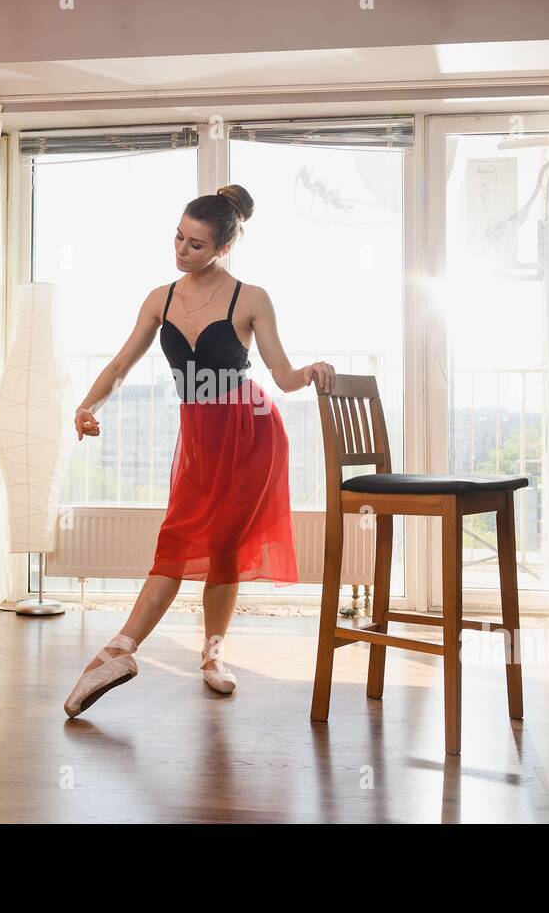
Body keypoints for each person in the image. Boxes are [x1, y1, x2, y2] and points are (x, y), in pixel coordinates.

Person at [63, 184, 336, 717]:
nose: (182, 251)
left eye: (195, 244)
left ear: (222, 249)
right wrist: (87, 405)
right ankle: (125, 651)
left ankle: (192, 653)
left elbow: (282, 375)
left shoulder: (251, 297)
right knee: (180, 537)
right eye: (178, 238)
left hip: (250, 430)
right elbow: (120, 366)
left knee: (226, 545)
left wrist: (313, 371)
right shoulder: (159, 298)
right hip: (199, 433)